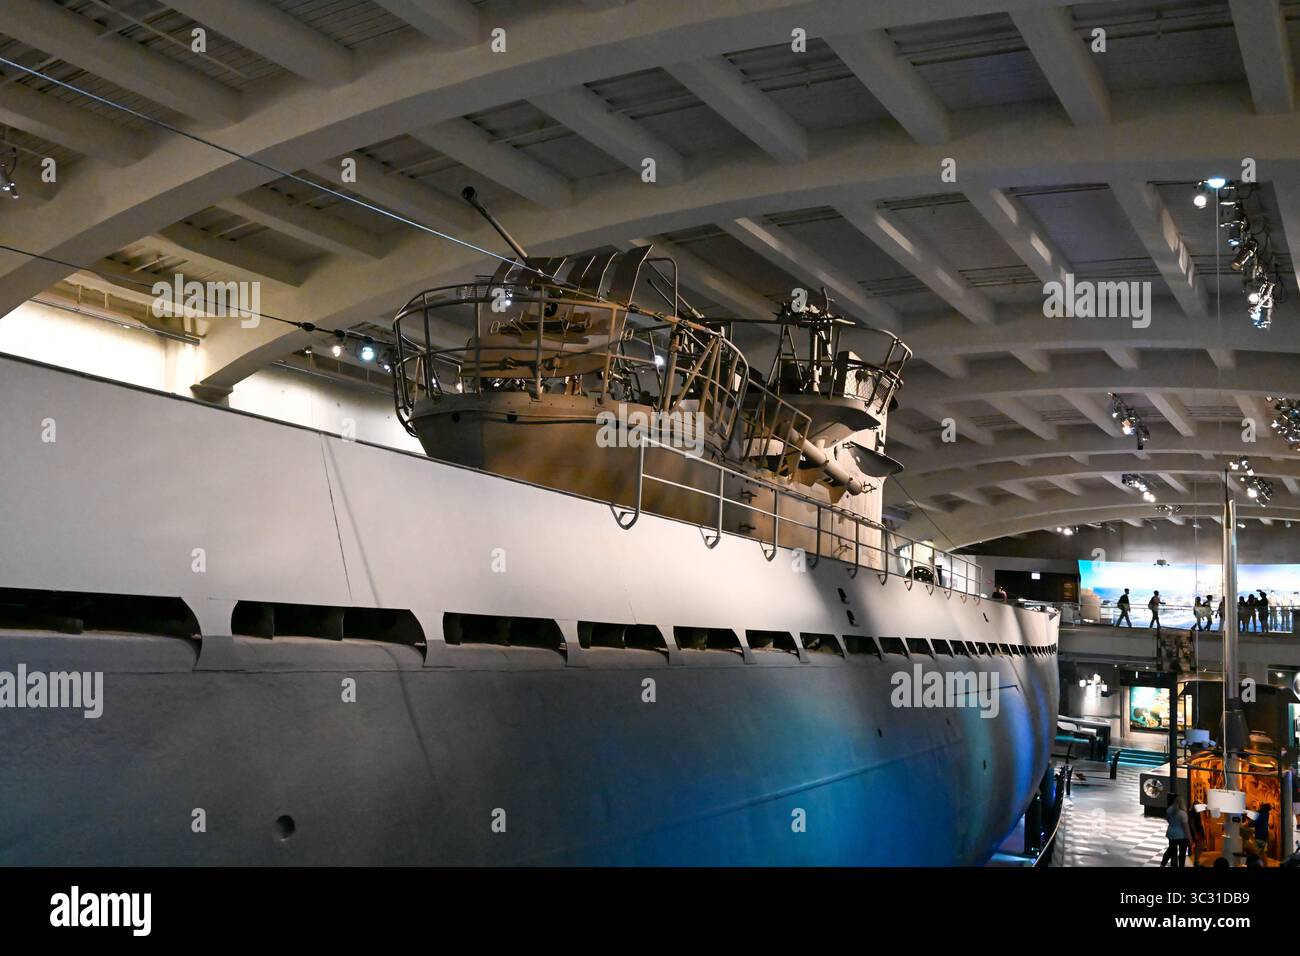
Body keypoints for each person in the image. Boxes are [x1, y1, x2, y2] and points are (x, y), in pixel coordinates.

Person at [1161, 795, 1190, 867]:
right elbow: (1186, 828)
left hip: (1171, 833)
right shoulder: (1183, 814)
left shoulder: (1169, 809)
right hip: (1182, 836)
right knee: (1182, 852)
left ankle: (1164, 864)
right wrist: (1190, 838)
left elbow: (1167, 819)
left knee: (1172, 850)